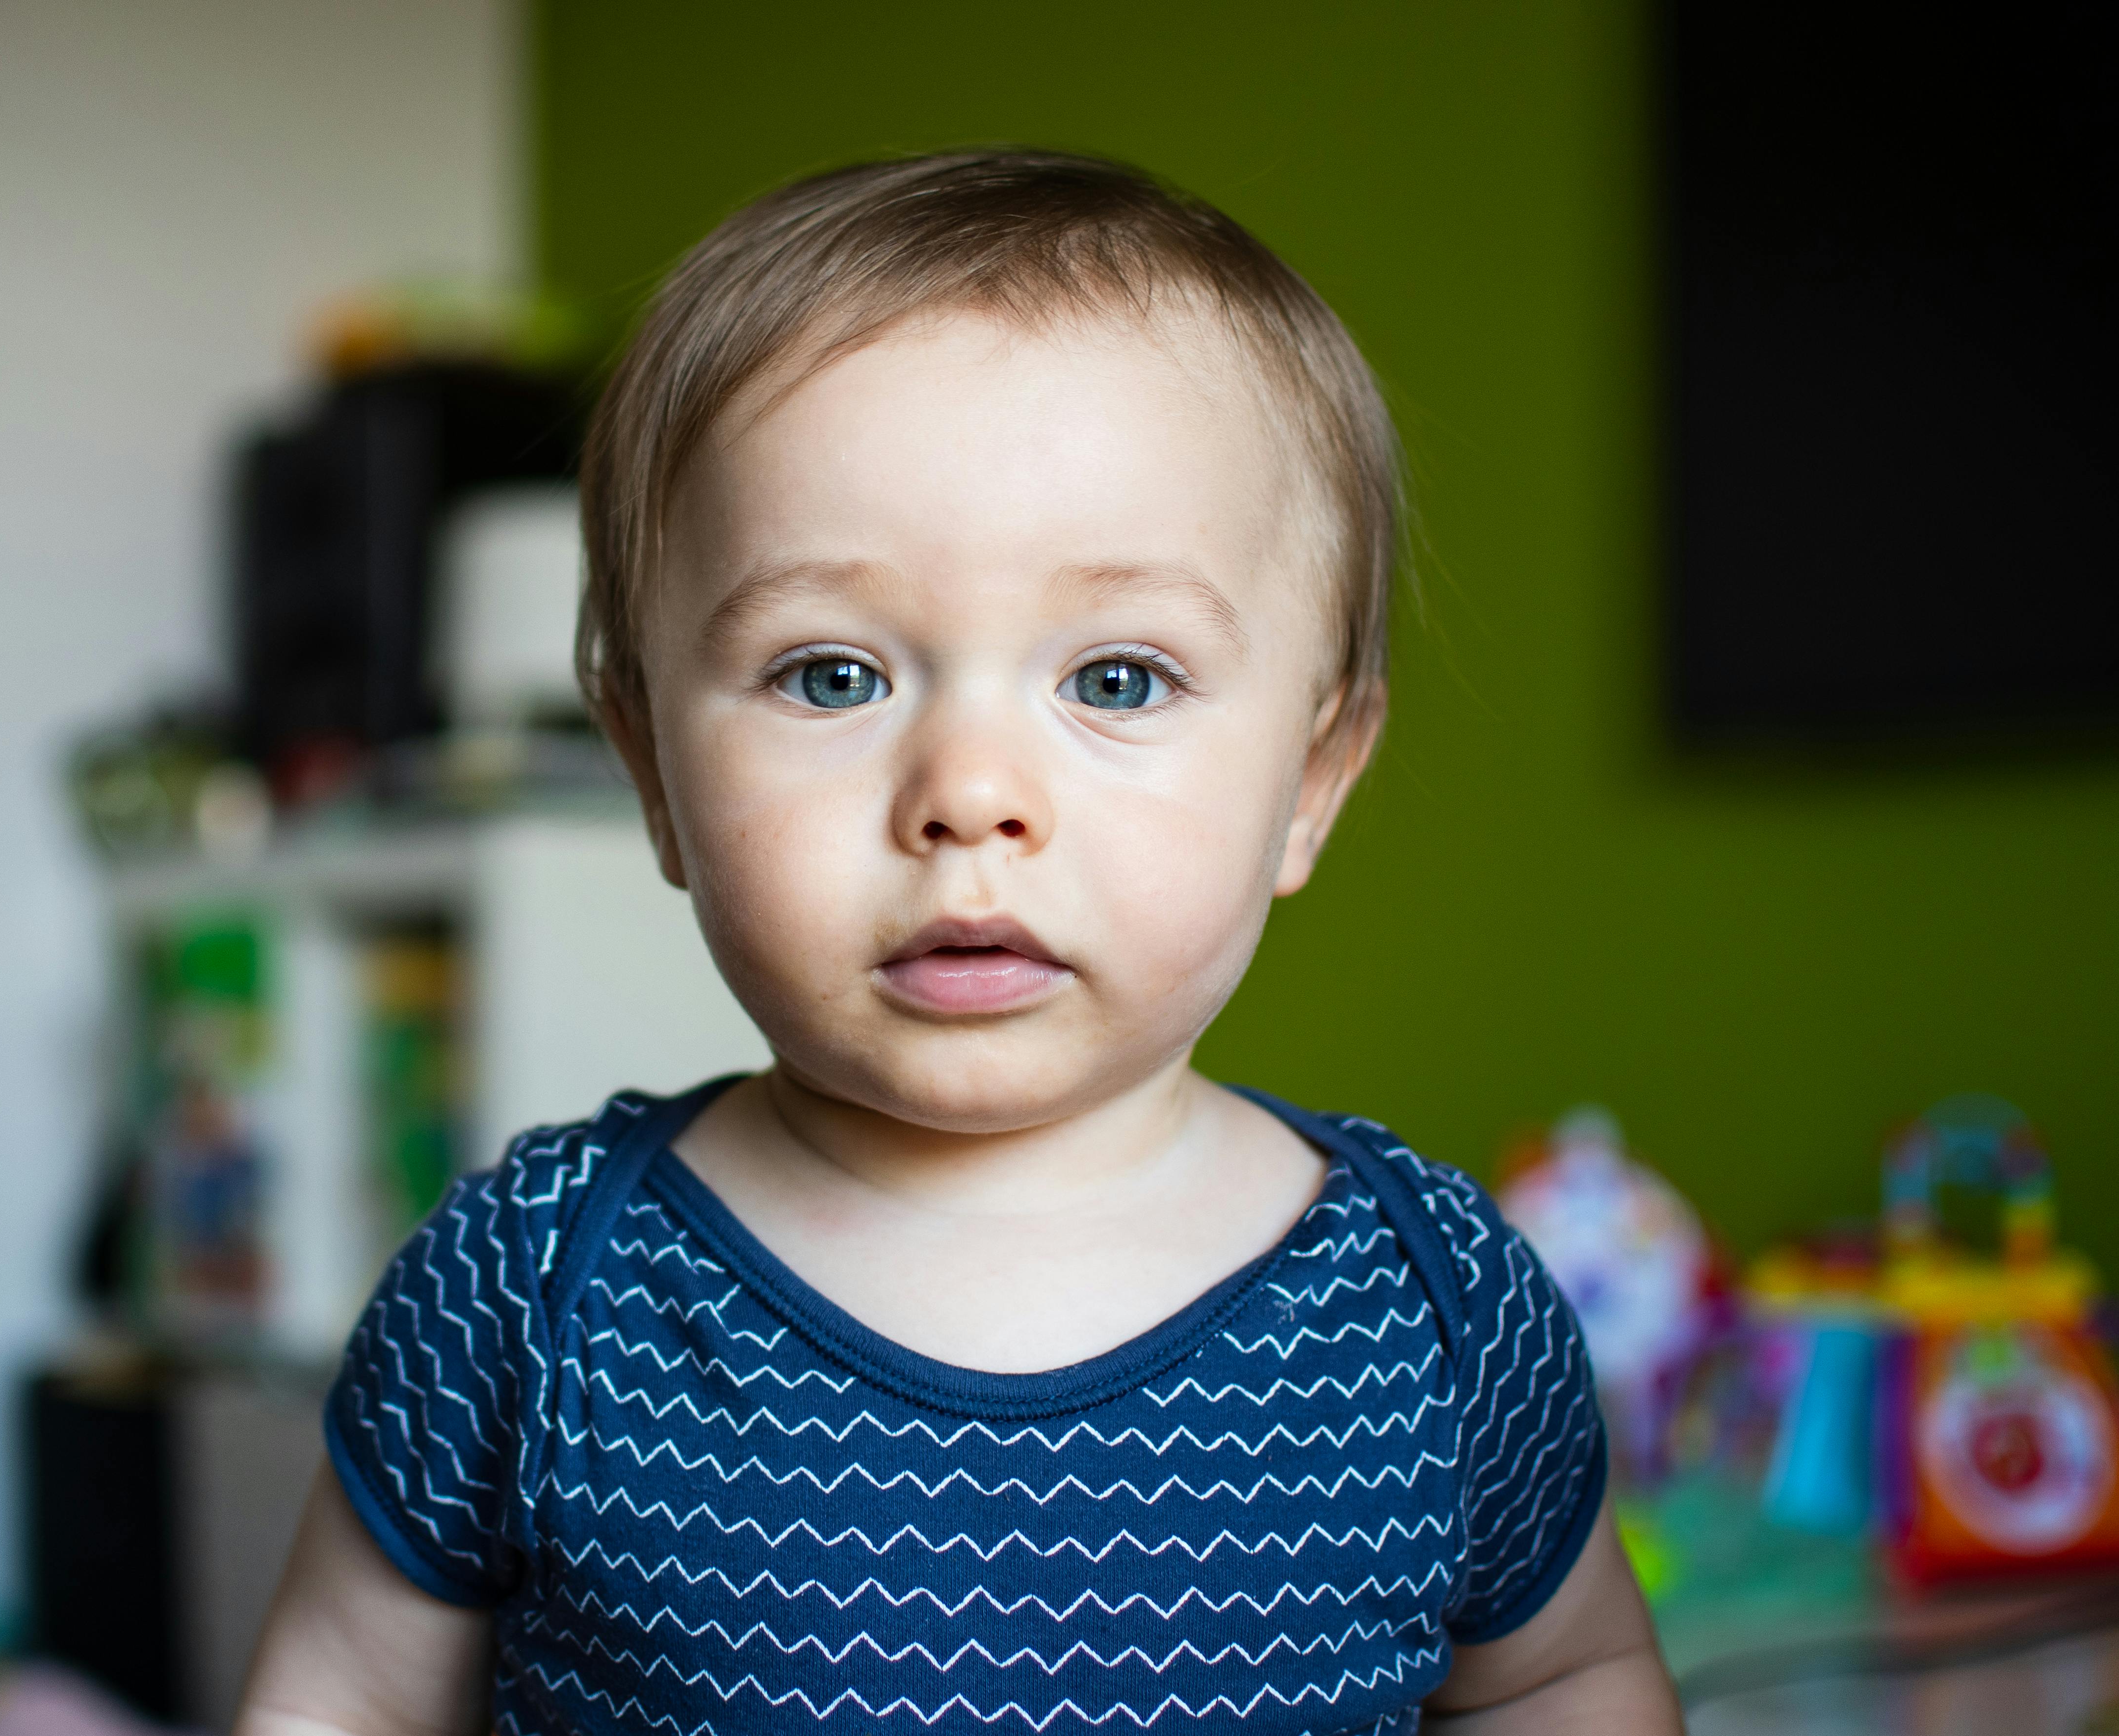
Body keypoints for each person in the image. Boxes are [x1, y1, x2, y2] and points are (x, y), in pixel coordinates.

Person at [238, 151, 1680, 1735]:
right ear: (652, 773)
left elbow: (1564, 1674)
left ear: (1311, 784)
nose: (969, 797)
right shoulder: (529, 1288)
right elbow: (346, 1696)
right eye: (833, 676)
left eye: (1118, 678)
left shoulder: (1435, 1310)